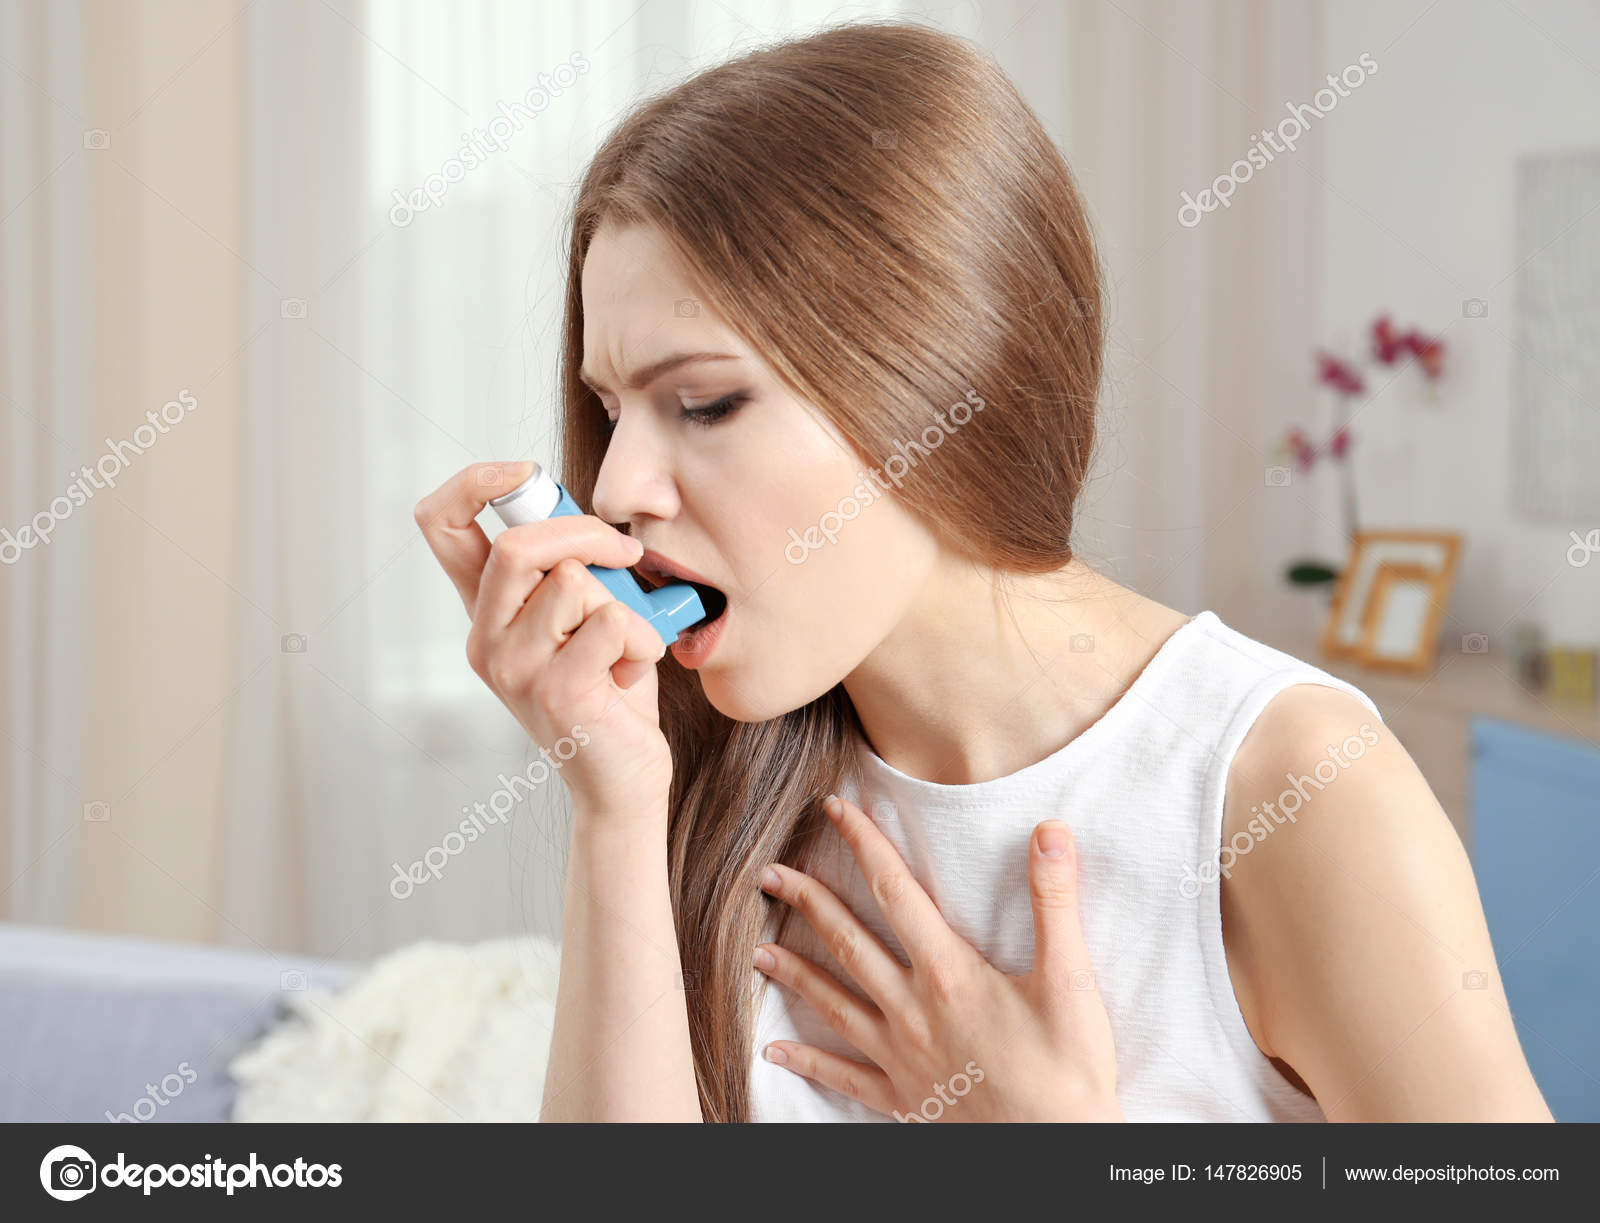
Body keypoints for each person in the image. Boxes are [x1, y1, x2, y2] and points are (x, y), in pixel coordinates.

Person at [416, 21, 1550, 1123]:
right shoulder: (727, 783)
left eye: (704, 402)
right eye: (611, 411)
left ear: (932, 378)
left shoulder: (1293, 790)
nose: (618, 490)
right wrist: (612, 802)